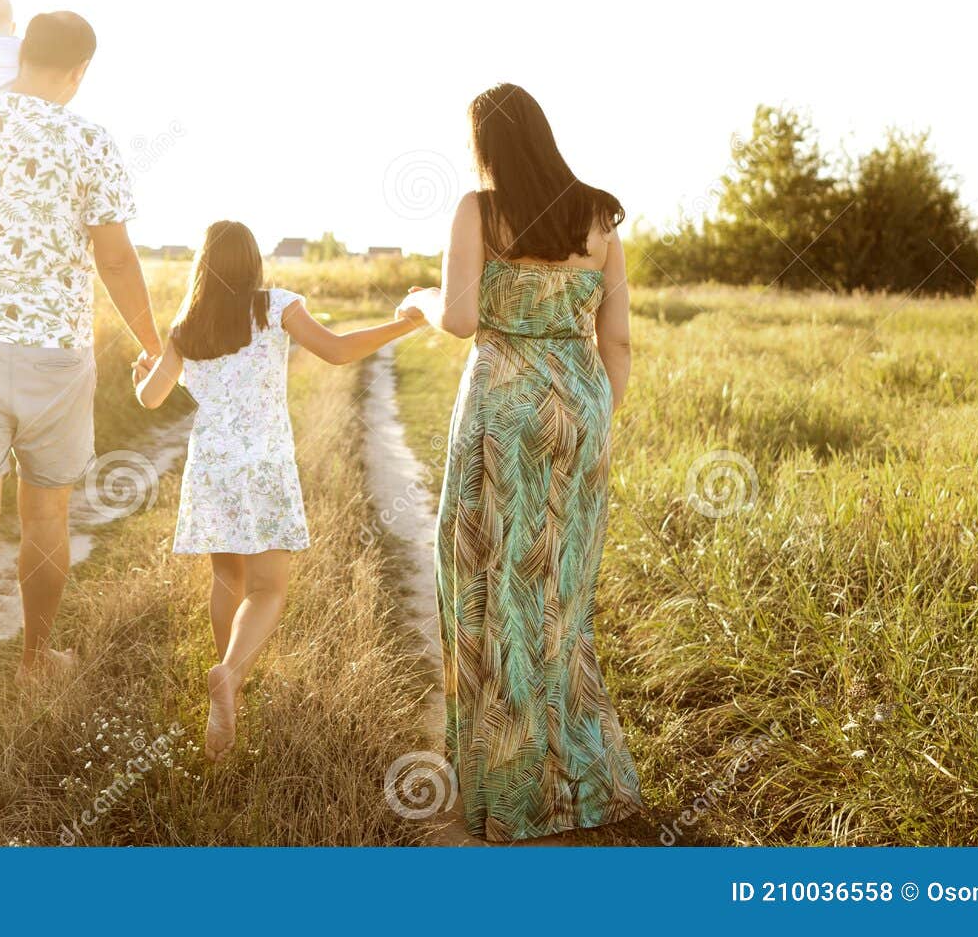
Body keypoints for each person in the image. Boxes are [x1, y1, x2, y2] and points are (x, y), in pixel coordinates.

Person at [404, 83, 643, 840]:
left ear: (486, 145)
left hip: (502, 414)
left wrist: (421, 296)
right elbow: (621, 340)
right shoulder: (599, 215)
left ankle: (505, 791)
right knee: (559, 599)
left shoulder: (479, 210)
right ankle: (580, 783)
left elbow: (461, 317)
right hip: (579, 408)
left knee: (485, 582)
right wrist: (597, 417)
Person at [0, 10, 163, 740]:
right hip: (53, 356)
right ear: (81, 71)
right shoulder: (88, 139)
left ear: (20, 53)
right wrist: (153, 343)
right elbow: (115, 259)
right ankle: (32, 659)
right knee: (46, 514)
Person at [134, 220, 424, 760]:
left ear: (203, 265)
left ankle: (230, 686)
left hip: (213, 466)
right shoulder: (274, 306)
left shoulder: (186, 325)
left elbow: (151, 398)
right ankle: (231, 675)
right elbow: (337, 351)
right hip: (263, 464)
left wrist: (138, 376)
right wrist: (401, 325)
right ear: (253, 263)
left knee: (228, 577)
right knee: (268, 589)